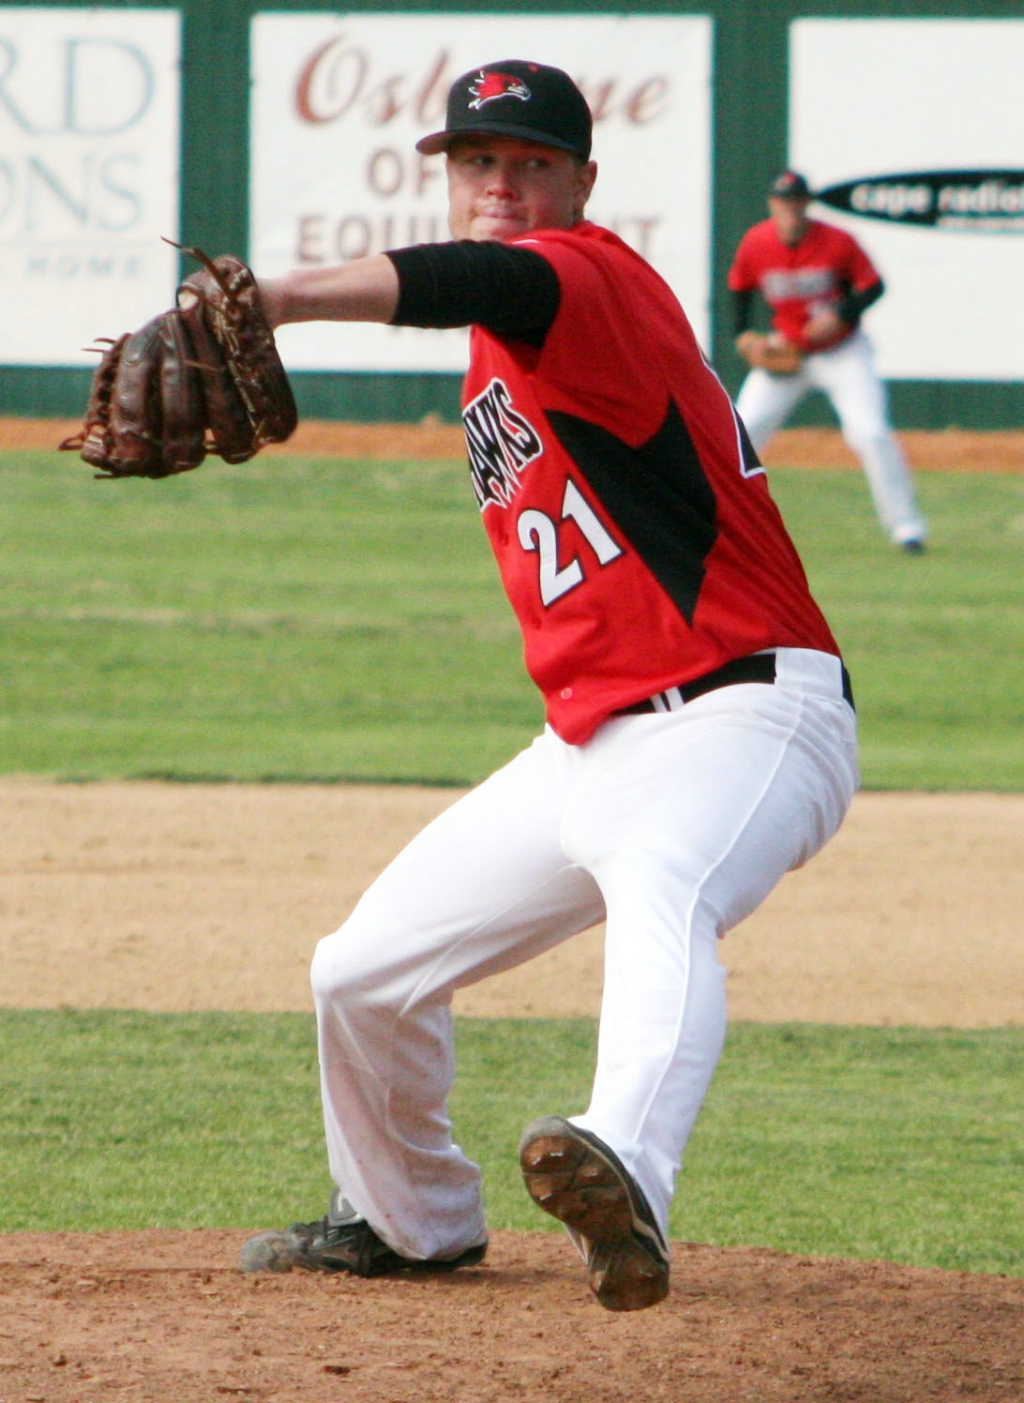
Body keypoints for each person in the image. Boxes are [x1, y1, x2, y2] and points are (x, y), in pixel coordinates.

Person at [239, 61, 860, 1312]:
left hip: (744, 708)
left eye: (532, 162)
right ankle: (407, 1218)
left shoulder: (591, 279)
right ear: (448, 174)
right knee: (359, 970)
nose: (502, 183)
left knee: (663, 878)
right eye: (478, 161)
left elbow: (486, 276)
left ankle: (626, 1162)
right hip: (587, 741)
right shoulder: (504, 352)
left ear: (583, 182)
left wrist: (283, 297)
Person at [729, 170, 928, 552]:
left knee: (870, 433)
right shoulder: (756, 242)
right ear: (772, 204)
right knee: (741, 434)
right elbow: (739, 288)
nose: (790, 208)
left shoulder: (837, 241)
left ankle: (906, 527)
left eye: (796, 200)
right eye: (783, 201)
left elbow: (873, 286)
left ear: (807, 203)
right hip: (787, 351)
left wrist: (841, 314)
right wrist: (743, 335)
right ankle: (720, 525)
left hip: (842, 353)